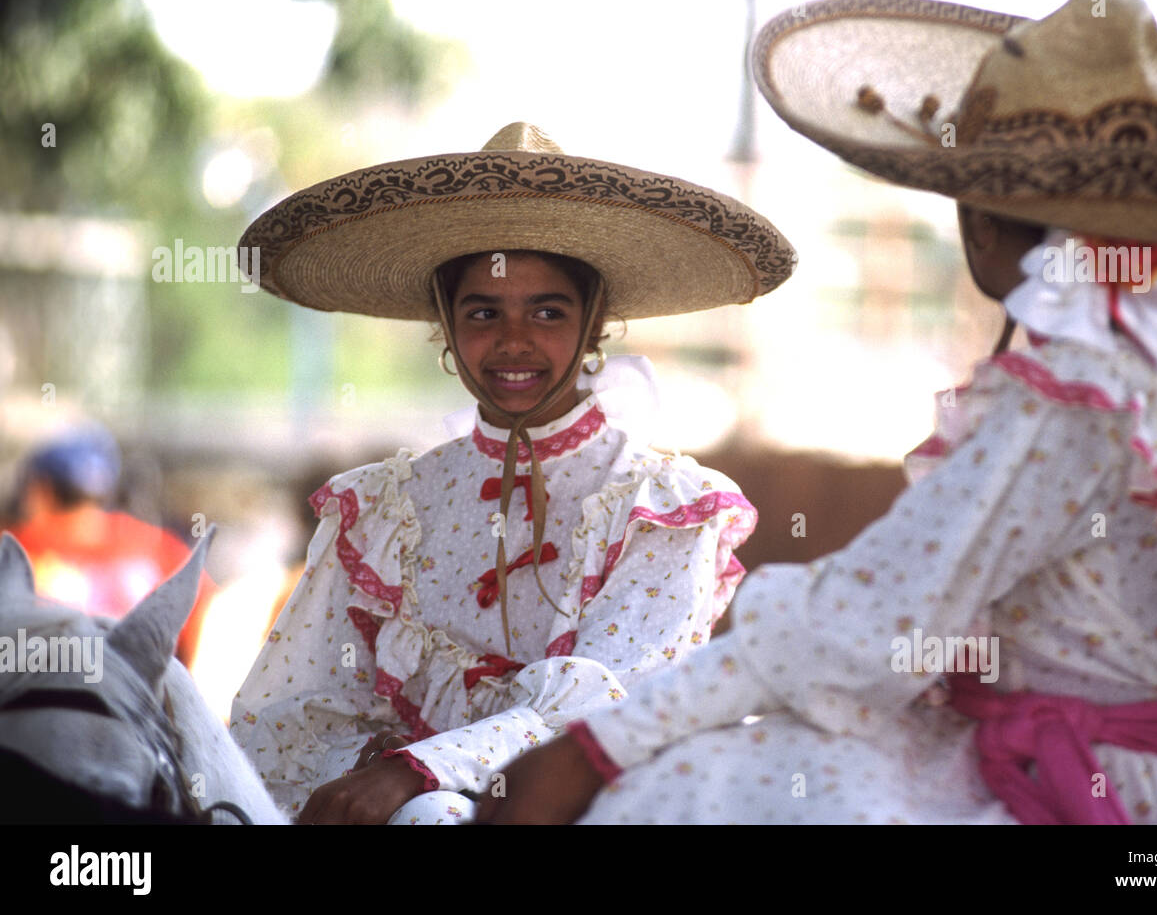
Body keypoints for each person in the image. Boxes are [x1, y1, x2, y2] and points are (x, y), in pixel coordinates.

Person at [478, 0, 1157, 825]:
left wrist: (594, 749)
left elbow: (862, 625)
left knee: (698, 789)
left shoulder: (1058, 410)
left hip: (1082, 792)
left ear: (978, 224)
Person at [230, 122, 795, 823]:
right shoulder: (383, 507)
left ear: (594, 326)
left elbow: (621, 701)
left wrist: (418, 773)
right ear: (445, 324)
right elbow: (294, 712)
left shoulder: (665, 505)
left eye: (547, 311)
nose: (514, 341)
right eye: (483, 311)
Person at [6, 424, 216, 666]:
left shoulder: (17, 547)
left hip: (38, 692)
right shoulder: (154, 546)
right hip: (140, 693)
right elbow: (210, 618)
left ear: (40, 490)